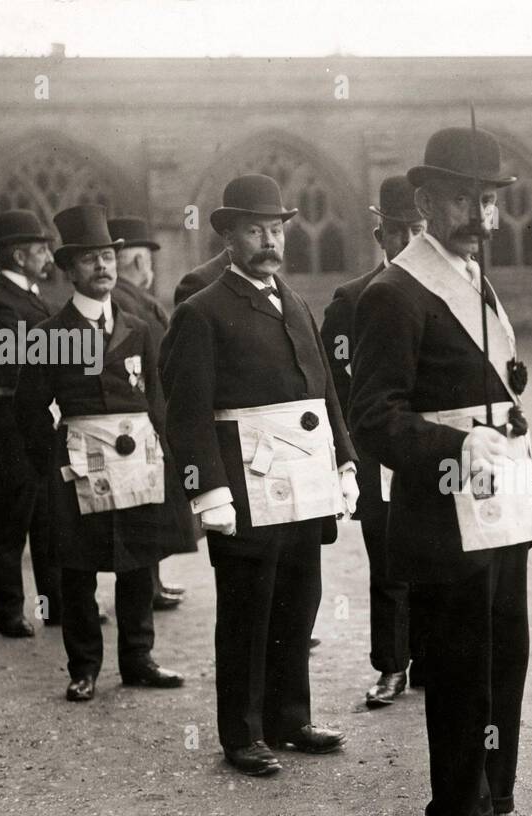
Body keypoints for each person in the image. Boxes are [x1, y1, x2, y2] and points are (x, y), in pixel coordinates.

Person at [350, 126, 532, 816]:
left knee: (507, 654)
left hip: (499, 501)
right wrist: (455, 449)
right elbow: (374, 418)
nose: (483, 215)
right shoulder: (394, 292)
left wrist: (529, 466)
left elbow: (495, 391)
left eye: (490, 201)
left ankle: (497, 798)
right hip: (443, 512)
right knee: (458, 665)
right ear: (424, 201)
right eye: (467, 199)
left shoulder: (473, 276)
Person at [162, 173, 353, 776]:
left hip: (304, 483)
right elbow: (185, 412)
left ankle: (289, 717)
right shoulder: (202, 311)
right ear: (229, 237)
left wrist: (343, 458)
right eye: (255, 230)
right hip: (243, 489)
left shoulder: (294, 302)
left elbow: (324, 393)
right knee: (248, 610)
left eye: (276, 229)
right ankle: (242, 733)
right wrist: (207, 490)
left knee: (299, 600)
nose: (269, 241)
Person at [15, 205, 195, 703]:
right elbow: (29, 409)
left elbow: (158, 399)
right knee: (78, 568)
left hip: (136, 462)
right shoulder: (51, 335)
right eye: (90, 259)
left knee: (138, 560)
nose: (103, 268)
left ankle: (138, 659)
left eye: (108, 258)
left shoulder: (139, 329)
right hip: (78, 467)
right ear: (69, 269)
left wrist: (162, 453)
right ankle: (84, 667)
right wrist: (55, 460)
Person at [319, 175, 429, 707]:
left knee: (444, 556)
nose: (407, 242)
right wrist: (346, 458)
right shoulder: (352, 301)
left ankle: (433, 660)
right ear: (379, 235)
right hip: (380, 454)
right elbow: (333, 389)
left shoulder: (455, 294)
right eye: (397, 231)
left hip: (438, 452)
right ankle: (391, 666)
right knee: (388, 560)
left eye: (417, 229)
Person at [0, 210, 63, 636]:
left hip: (32, 423)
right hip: (8, 428)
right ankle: (7, 612)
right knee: (11, 522)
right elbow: (14, 366)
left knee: (46, 519)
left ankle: (53, 604)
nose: (48, 255)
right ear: (19, 254)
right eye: (41, 249)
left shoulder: (27, 296)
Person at [109, 214, 188, 611]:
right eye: (148, 261)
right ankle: (149, 587)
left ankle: (154, 583)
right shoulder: (125, 300)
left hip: (158, 410)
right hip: (147, 414)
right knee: (147, 505)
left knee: (155, 503)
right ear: (140, 263)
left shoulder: (134, 299)